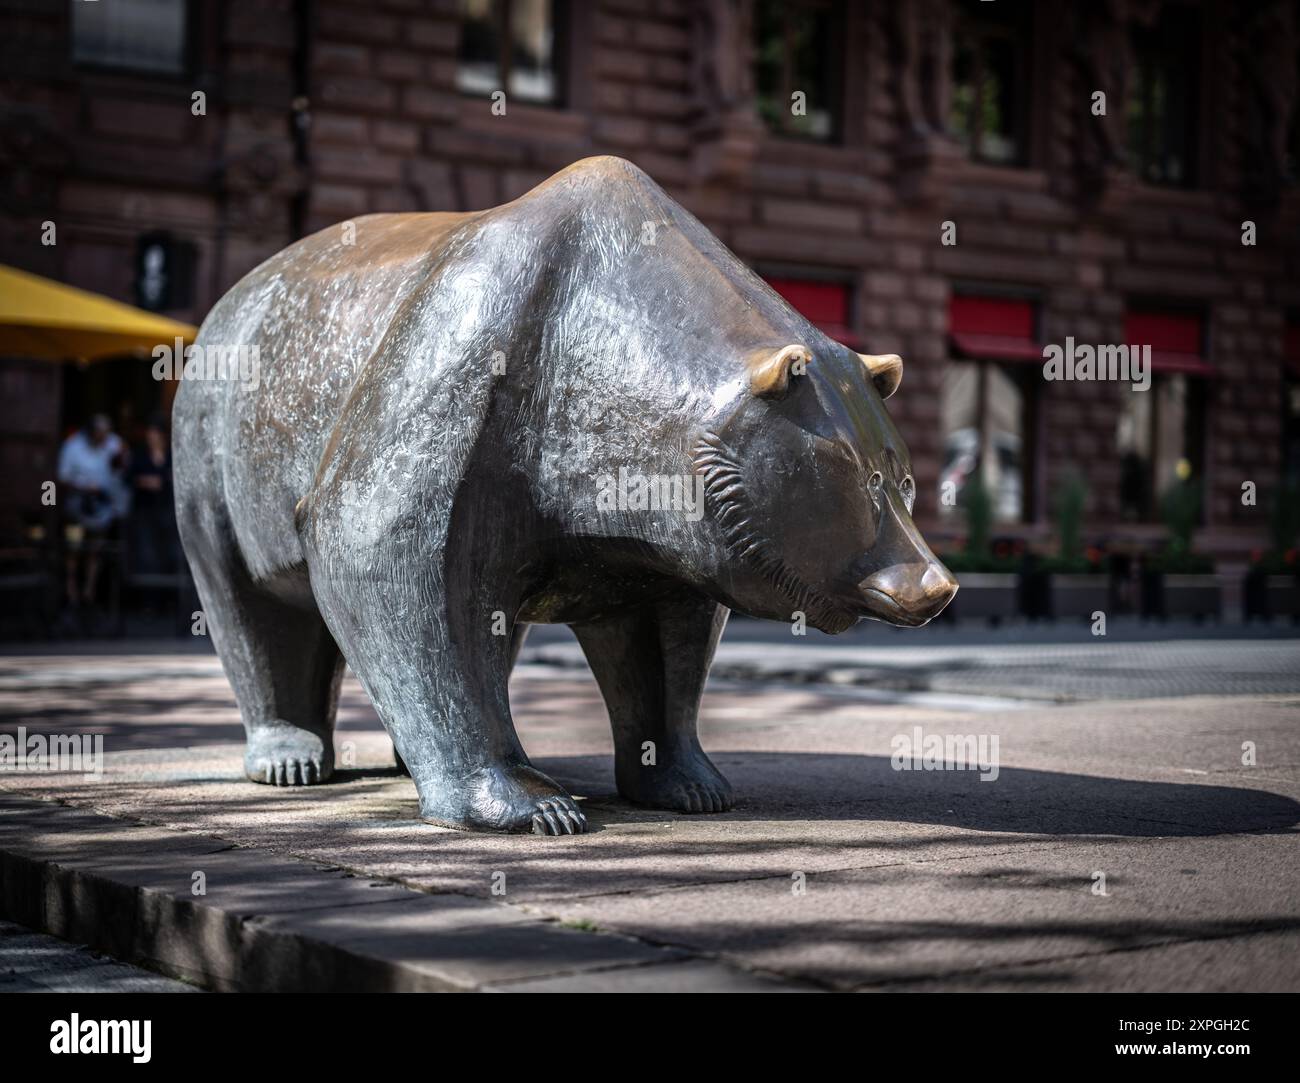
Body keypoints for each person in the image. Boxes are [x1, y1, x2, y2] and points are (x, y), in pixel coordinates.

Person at [56, 413, 126, 614]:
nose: (103, 437)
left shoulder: (112, 443)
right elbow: (62, 477)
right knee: (74, 548)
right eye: (99, 433)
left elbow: (123, 458)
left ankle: (89, 591)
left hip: (100, 506)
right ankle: (71, 593)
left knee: (96, 547)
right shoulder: (73, 447)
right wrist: (85, 488)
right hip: (77, 504)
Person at [125, 415, 178, 575]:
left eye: (155, 434)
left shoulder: (171, 455)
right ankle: (150, 597)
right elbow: (129, 477)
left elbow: (173, 478)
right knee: (147, 553)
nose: (152, 437)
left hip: (167, 511)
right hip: (144, 511)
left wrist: (161, 481)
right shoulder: (139, 455)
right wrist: (147, 482)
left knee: (170, 551)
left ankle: (168, 595)